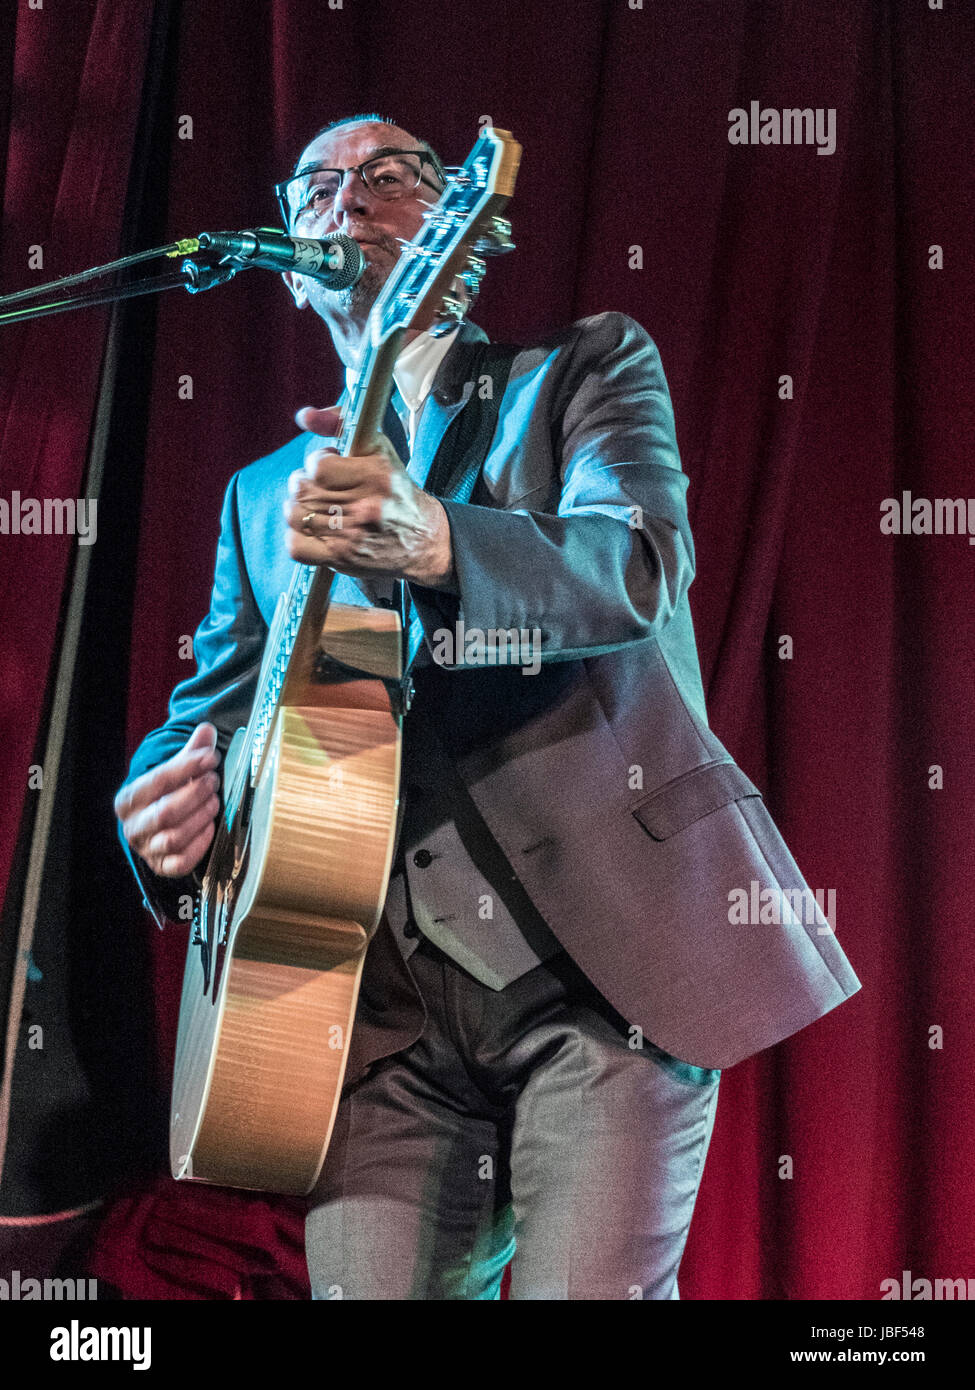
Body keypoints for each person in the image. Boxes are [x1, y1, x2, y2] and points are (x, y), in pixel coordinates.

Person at [114, 114, 861, 1300]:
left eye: (390, 176)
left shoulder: (579, 371)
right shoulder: (261, 494)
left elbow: (638, 566)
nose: (347, 200)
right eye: (317, 184)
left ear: (458, 228)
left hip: (603, 975)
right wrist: (150, 816)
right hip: (372, 1019)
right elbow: (202, 711)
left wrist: (438, 536)